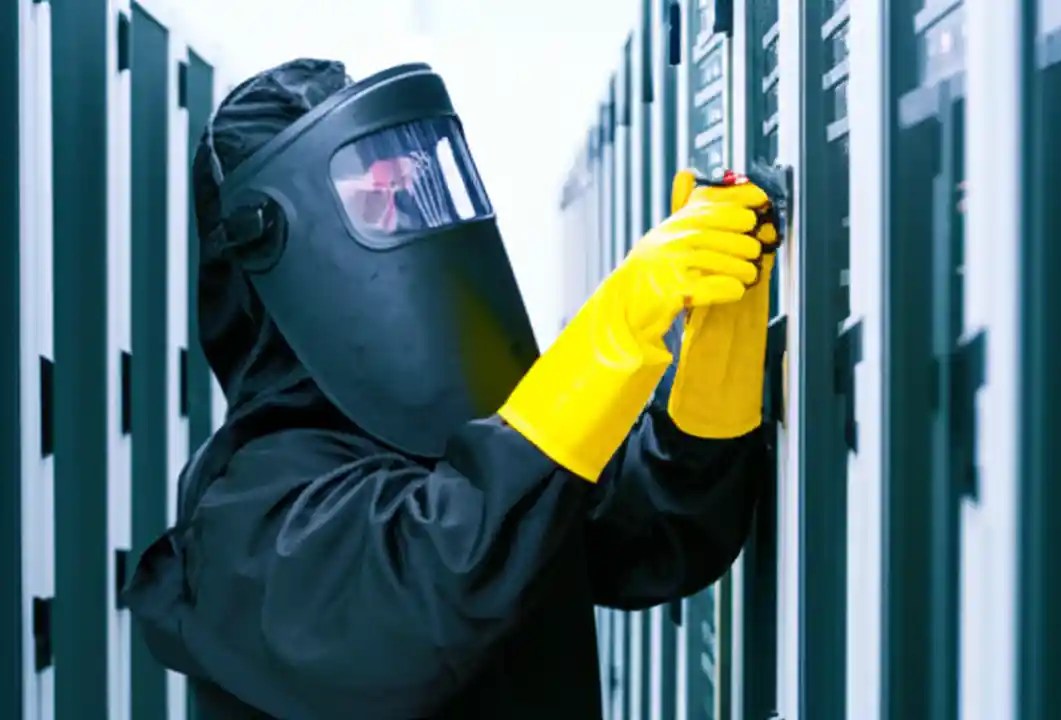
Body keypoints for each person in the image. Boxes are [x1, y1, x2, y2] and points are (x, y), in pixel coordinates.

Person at [123, 58, 780, 719]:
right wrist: (615, 328)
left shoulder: (450, 440)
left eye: (409, 193)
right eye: (371, 203)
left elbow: (651, 533)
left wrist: (718, 344)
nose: (405, 219)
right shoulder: (250, 509)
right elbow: (432, 588)